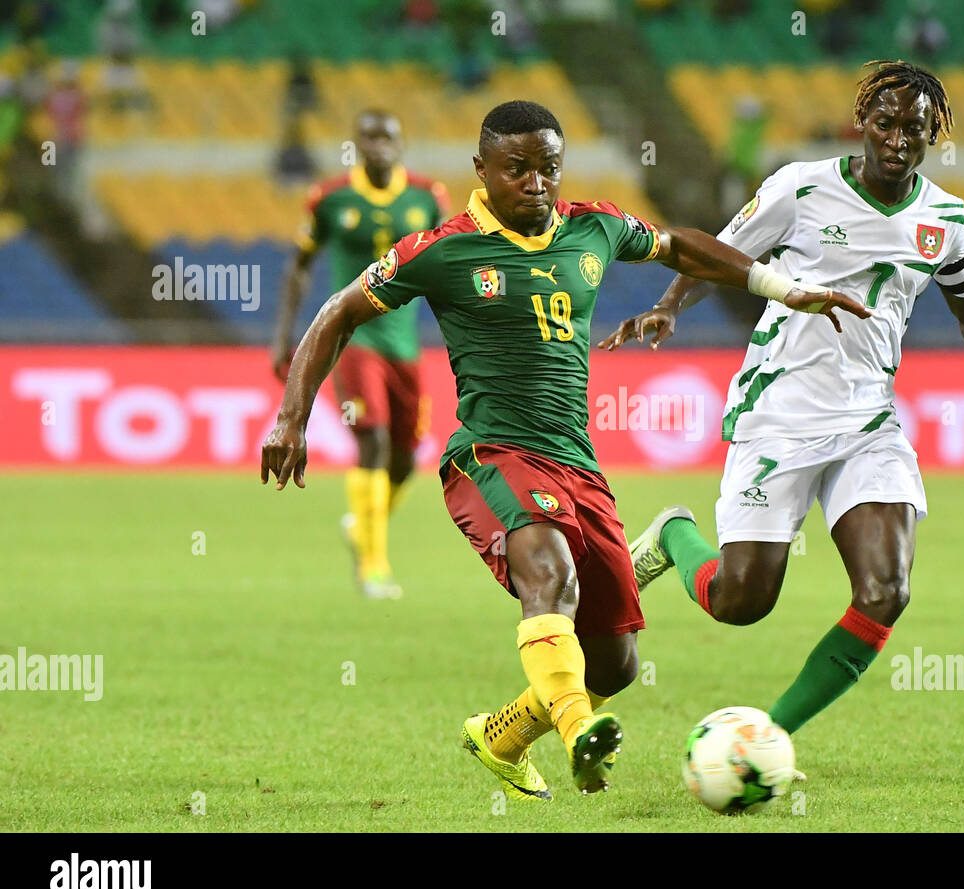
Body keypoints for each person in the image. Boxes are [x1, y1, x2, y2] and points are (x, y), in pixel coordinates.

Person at [260, 100, 868, 799]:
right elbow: (338, 310)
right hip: (490, 456)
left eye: (548, 166)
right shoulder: (443, 249)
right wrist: (291, 415)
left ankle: (502, 736)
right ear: (481, 170)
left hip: (577, 463)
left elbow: (679, 245)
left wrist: (783, 288)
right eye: (516, 169)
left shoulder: (596, 229)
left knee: (615, 664)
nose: (535, 182)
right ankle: (581, 733)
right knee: (550, 578)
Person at [604, 60, 964, 740]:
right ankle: (672, 536)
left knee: (886, 591)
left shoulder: (947, 220)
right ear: (861, 122)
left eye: (913, 130)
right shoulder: (800, 188)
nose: (896, 140)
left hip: (868, 421)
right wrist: (668, 306)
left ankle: (766, 736)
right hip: (779, 412)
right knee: (740, 600)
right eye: (885, 124)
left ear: (932, 134)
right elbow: (718, 252)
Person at [270, 109, 450, 599]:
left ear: (400, 143)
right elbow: (299, 268)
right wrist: (283, 336)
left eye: (387, 136)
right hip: (354, 340)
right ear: (355, 143)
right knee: (370, 440)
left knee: (408, 458)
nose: (378, 145)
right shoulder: (330, 199)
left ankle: (362, 527)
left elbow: (448, 267)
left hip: (405, 345)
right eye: (368, 137)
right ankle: (374, 565)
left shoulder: (427, 197)